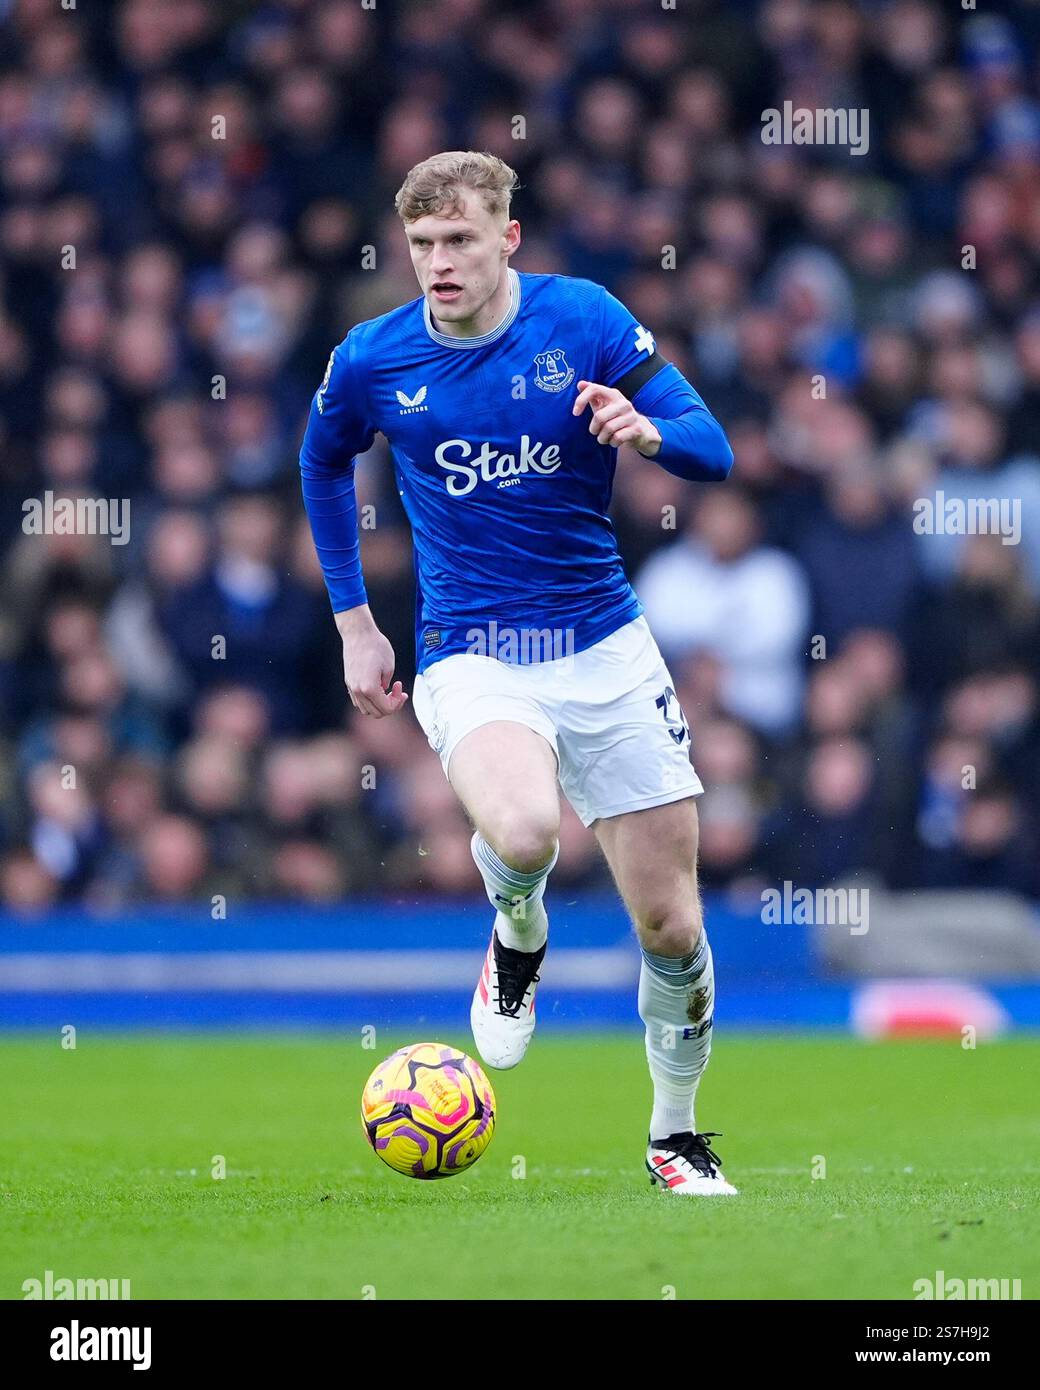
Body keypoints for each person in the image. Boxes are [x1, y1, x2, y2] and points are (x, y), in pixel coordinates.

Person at [300, 151, 736, 1195]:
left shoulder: (582, 318)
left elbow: (710, 446)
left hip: (604, 646)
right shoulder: (372, 359)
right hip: (474, 651)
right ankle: (517, 931)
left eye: (457, 240)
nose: (437, 263)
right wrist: (356, 623)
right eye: (420, 245)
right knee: (527, 830)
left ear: (507, 238)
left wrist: (647, 432)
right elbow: (320, 461)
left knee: (671, 926)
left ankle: (672, 1136)